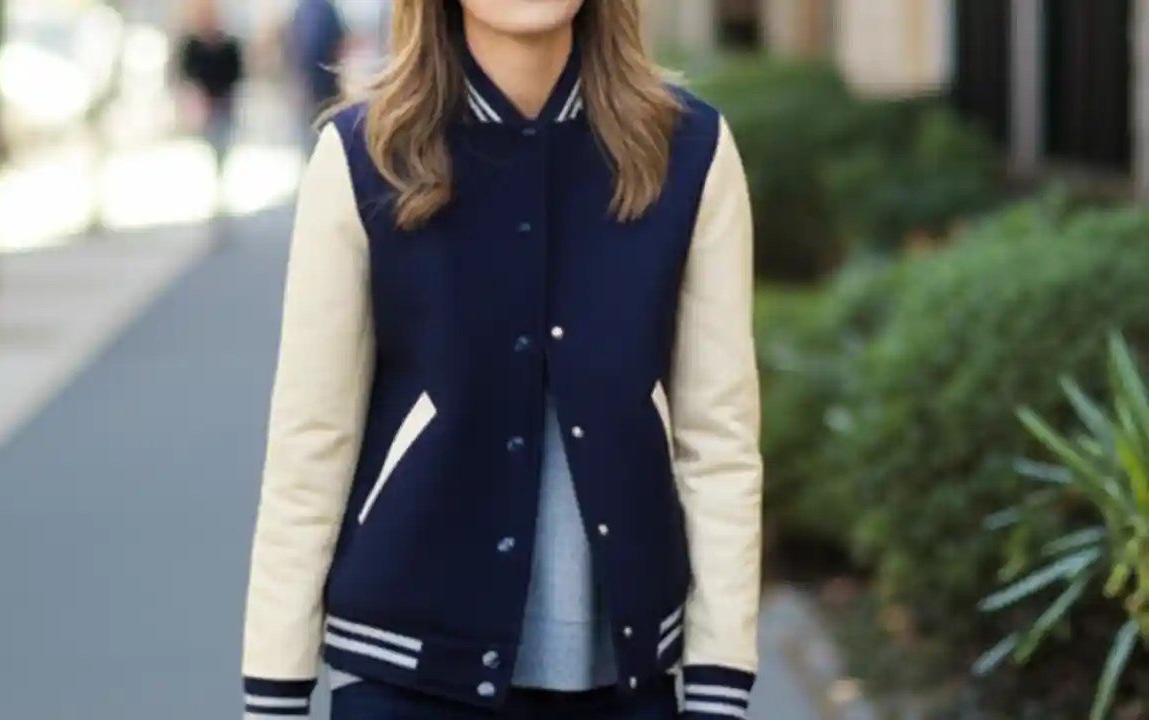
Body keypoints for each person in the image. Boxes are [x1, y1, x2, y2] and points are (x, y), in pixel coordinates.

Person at [242, 1, 763, 719]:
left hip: (625, 682)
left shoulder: (691, 149)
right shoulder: (364, 155)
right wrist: (275, 693)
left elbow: (719, 443)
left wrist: (719, 682)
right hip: (407, 671)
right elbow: (310, 447)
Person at [176, 0, 244, 207]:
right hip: (201, 105)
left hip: (223, 102)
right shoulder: (192, 44)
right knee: (205, 144)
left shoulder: (228, 44)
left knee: (221, 142)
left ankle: (220, 178)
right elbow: (185, 73)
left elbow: (237, 72)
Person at [285, 0, 345, 152]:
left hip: (315, 85)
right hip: (323, 86)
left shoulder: (304, 10)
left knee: (312, 136)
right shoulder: (324, 10)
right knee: (320, 134)